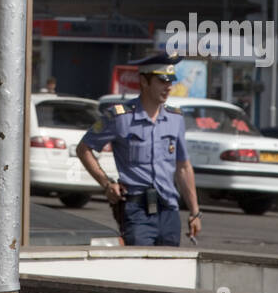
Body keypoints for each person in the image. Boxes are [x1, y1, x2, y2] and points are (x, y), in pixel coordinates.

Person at [77, 56, 202, 247]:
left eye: (170, 82)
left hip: (169, 210)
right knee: (140, 269)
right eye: (162, 81)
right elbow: (84, 149)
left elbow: (183, 167)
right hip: (136, 210)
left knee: (170, 270)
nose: (168, 87)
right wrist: (106, 184)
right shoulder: (120, 117)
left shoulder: (175, 119)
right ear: (144, 81)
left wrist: (194, 212)